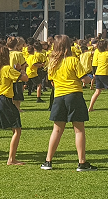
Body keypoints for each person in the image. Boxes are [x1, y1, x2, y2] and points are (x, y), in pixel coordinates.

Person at [41, 35, 97, 171]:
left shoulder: (52, 62)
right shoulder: (73, 60)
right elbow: (84, 80)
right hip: (74, 95)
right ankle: (82, 162)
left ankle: (48, 161)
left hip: (59, 96)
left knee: (57, 130)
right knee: (79, 130)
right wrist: (91, 77)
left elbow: (52, 81)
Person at [88, 39, 108, 112]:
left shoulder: (99, 53)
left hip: (98, 73)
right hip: (104, 74)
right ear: (105, 47)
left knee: (97, 91)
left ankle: (90, 107)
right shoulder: (106, 54)